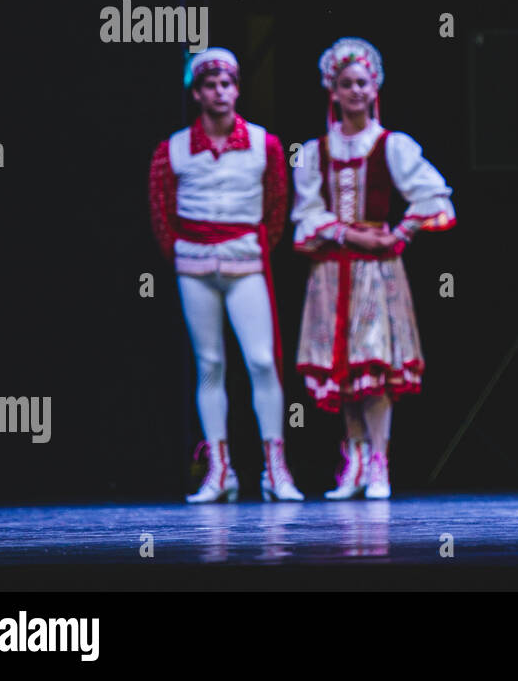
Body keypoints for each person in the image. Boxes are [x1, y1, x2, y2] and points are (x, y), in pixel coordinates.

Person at [292, 37, 455, 499]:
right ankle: (355, 460)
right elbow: (306, 214)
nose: (356, 91)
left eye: (362, 82)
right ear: (334, 90)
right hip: (332, 269)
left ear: (374, 86)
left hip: (376, 271)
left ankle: (379, 461)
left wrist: (400, 233)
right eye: (346, 84)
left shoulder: (391, 145)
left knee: (374, 367)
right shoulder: (315, 152)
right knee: (344, 370)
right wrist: (349, 233)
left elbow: (432, 194)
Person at [149, 47, 304, 503]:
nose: (221, 92)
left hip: (244, 261)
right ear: (197, 93)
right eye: (211, 85)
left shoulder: (264, 143)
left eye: (228, 84)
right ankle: (220, 470)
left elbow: (276, 207)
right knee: (209, 364)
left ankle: (276, 469)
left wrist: (251, 247)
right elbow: (162, 212)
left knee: (260, 360)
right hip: (194, 265)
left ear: (237, 89)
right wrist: (182, 251)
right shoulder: (172, 149)